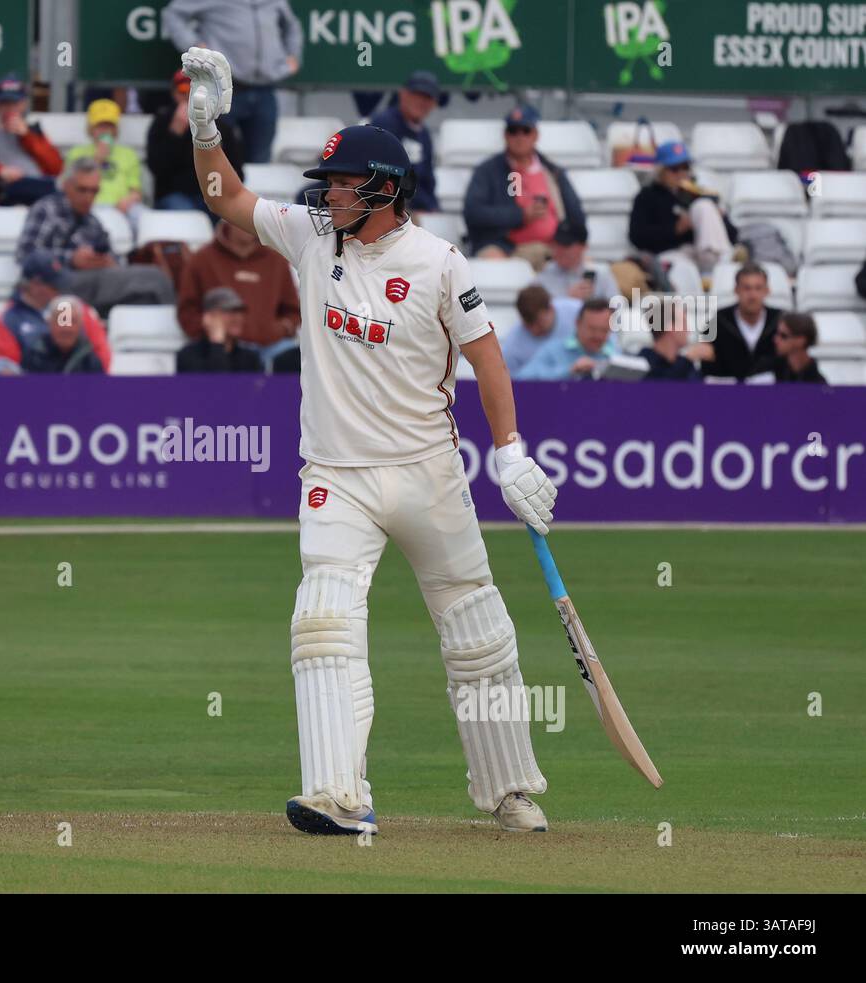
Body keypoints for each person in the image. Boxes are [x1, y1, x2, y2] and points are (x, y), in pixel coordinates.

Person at [184, 48, 557, 835]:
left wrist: (511, 448)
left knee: (479, 632)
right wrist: (205, 124)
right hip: (337, 476)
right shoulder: (315, 236)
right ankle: (338, 795)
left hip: (428, 473)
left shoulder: (439, 264)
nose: (330, 194)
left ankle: (509, 791)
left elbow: (488, 354)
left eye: (345, 183)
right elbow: (227, 198)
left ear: (385, 188)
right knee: (323, 617)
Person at [16, 158, 173, 315]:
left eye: (94, 191)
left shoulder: (93, 222)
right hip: (56, 285)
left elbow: (113, 259)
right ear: (66, 186)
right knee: (154, 278)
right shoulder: (46, 209)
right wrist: (72, 258)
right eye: (82, 190)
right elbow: (25, 254)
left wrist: (107, 261)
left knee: (145, 299)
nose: (88, 197)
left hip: (91, 286)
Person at [162, 0, 303, 163]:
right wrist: (195, 47)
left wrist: (293, 55)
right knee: (217, 156)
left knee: (260, 161)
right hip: (222, 87)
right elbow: (173, 14)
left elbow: (292, 26)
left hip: (265, 89)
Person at [464, 106, 586, 268]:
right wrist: (520, 215)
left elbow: (576, 214)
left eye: (526, 130)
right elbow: (473, 212)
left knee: (588, 268)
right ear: (505, 135)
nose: (519, 137)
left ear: (535, 135)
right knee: (493, 263)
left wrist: (575, 242)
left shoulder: (553, 172)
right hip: (505, 247)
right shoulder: (488, 171)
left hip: (553, 248)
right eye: (513, 131)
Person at [177, 219, 298, 346]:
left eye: (254, 218)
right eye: (242, 217)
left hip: (271, 347)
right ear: (228, 218)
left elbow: (293, 311)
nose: (248, 224)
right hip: (222, 347)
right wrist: (211, 326)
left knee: (293, 356)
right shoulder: (201, 259)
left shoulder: (277, 261)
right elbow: (187, 313)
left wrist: (280, 329)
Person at [629, 142, 736, 275]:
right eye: (674, 169)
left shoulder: (700, 194)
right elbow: (638, 237)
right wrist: (676, 229)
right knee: (682, 270)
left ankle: (716, 264)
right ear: (660, 171)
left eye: (685, 167)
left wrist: (720, 219)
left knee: (704, 206)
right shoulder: (647, 196)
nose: (681, 173)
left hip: (704, 252)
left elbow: (733, 235)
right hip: (670, 253)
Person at [0, 250, 111, 369]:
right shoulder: (10, 318)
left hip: (79, 383)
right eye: (53, 285)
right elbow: (6, 371)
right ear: (35, 285)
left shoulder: (71, 307)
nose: (59, 289)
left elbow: (101, 357)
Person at [148, 68, 244, 213]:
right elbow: (157, 168)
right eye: (184, 90)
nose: (189, 97)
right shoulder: (163, 121)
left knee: (230, 213)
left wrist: (211, 140)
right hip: (175, 195)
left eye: (196, 92)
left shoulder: (221, 125)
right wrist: (175, 134)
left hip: (212, 196)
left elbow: (237, 173)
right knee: (184, 211)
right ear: (174, 93)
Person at [0, 74, 61, 207]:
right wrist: (0, 171)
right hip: (9, 189)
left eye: (14, 103)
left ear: (23, 104)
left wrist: (27, 136)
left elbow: (55, 168)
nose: (10, 109)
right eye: (4, 103)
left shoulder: (34, 132)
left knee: (63, 188)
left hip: (42, 187)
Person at [367, 71, 440, 215]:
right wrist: (424, 205)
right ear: (403, 94)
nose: (421, 102)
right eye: (416, 95)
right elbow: (386, 173)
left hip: (414, 205)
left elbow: (428, 179)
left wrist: (433, 207)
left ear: (434, 103)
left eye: (427, 97)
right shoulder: (384, 124)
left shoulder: (424, 134)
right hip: (383, 204)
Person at [65, 100, 144, 224]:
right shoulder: (77, 153)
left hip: (121, 208)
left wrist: (127, 201)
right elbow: (68, 187)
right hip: (89, 205)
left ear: (116, 129)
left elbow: (136, 191)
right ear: (91, 128)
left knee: (140, 215)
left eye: (109, 126)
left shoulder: (128, 155)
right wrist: (97, 159)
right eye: (100, 126)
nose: (105, 130)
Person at [700, 263, 780, 380]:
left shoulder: (780, 322)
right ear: (736, 290)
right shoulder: (717, 322)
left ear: (767, 291)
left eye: (758, 288)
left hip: (773, 394)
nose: (753, 295)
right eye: (747, 288)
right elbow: (707, 369)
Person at [515, 298, 616, 381]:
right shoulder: (552, 351)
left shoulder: (616, 355)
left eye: (604, 330)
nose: (597, 335)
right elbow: (521, 379)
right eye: (592, 329)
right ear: (578, 323)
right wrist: (569, 371)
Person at [176, 287, 264, 372]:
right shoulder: (189, 355)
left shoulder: (250, 357)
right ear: (209, 317)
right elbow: (218, 384)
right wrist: (217, 343)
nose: (238, 318)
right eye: (230, 312)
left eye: (240, 312)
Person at [500, 286, 579, 377]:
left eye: (539, 323)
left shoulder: (576, 311)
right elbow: (512, 381)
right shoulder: (512, 345)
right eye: (528, 325)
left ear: (551, 308)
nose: (535, 330)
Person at [531, 219, 619, 301]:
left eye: (566, 245)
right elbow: (532, 313)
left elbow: (618, 313)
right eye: (556, 244)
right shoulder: (544, 274)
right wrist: (568, 300)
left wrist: (593, 306)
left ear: (583, 247)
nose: (559, 250)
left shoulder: (601, 275)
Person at [20, 296, 105, 374]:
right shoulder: (33, 357)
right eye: (61, 321)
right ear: (49, 323)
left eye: (72, 321)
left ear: (80, 325)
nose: (66, 328)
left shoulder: (90, 360)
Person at [755, 312, 827, 383]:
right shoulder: (765, 370)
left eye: (783, 336)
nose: (776, 339)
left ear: (801, 340)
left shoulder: (818, 383)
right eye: (777, 333)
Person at [638, 304, 703, 381]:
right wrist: (688, 360)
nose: (688, 331)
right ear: (670, 327)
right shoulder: (641, 365)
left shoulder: (686, 366)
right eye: (684, 323)